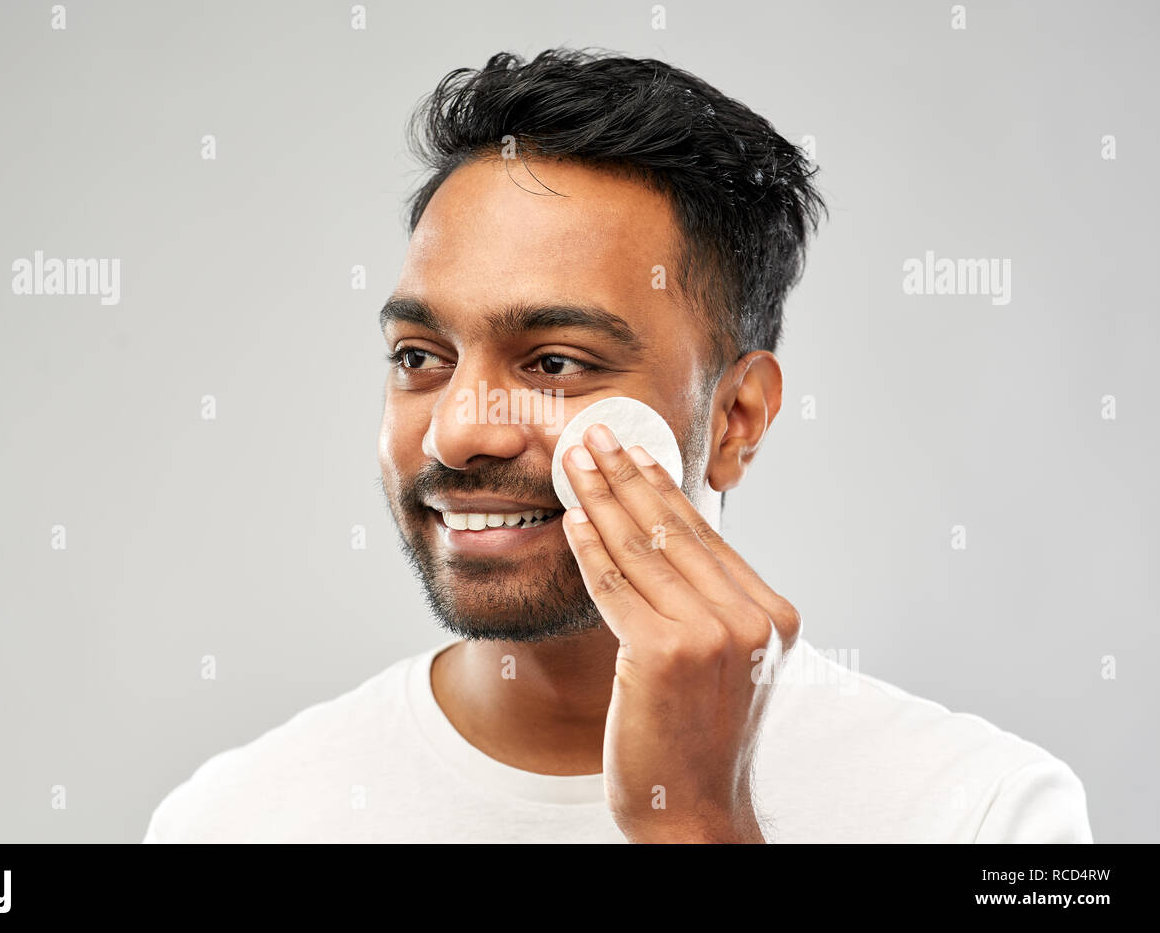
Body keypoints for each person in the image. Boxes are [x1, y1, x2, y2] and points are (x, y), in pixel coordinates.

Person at [143, 48, 1092, 843]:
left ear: (736, 421)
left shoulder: (988, 813)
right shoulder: (230, 821)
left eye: (554, 362)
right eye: (420, 355)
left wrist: (695, 824)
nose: (457, 429)